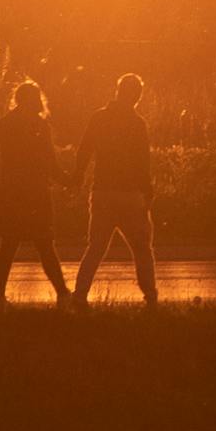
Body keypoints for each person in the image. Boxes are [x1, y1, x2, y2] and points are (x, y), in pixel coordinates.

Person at [0, 76, 73, 307]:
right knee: (45, 245)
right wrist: (67, 180)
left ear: (17, 100)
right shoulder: (40, 125)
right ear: (37, 101)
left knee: (8, 245)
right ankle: (63, 294)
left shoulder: (10, 121)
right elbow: (50, 162)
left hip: (12, 192)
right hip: (36, 193)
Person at [74, 72, 160, 307]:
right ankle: (150, 296)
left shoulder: (99, 118)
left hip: (102, 192)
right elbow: (143, 163)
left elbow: (84, 150)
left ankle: (79, 295)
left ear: (118, 91)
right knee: (142, 248)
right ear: (137, 96)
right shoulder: (137, 123)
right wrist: (148, 193)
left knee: (96, 248)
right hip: (130, 195)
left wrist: (76, 177)